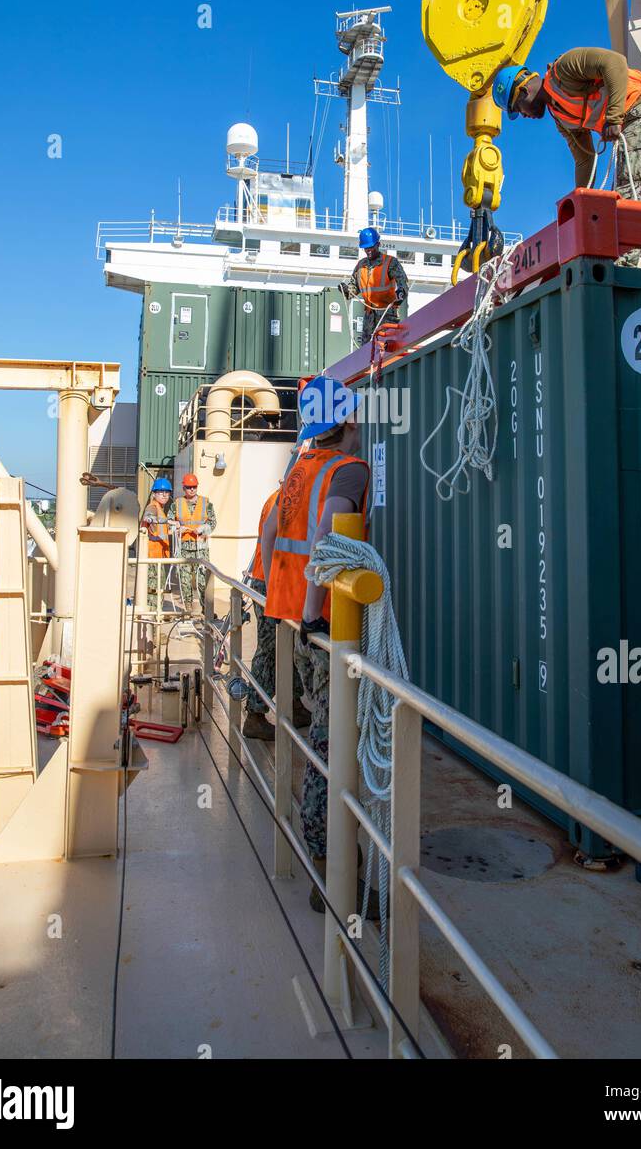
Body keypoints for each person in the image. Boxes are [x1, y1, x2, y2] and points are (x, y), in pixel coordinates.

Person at [262, 375, 370, 908]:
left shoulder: (298, 470)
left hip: (287, 620)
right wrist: (312, 614)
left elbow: (268, 537)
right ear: (349, 420)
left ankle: (331, 869)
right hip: (323, 626)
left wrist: (275, 597)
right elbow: (328, 535)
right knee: (335, 752)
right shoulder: (349, 470)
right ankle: (333, 882)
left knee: (318, 737)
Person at [493, 49, 641, 269]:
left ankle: (625, 268)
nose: (524, 115)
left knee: (632, 192)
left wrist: (613, 117)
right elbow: (585, 159)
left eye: (518, 109)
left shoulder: (564, 68)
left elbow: (615, 63)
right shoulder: (561, 117)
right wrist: (581, 205)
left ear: (524, 91)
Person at [242, 484, 310, 740]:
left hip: (277, 582)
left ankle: (294, 703)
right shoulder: (283, 501)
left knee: (288, 646)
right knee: (270, 649)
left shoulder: (281, 498)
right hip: (271, 583)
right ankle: (255, 715)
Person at [339, 226, 409, 345]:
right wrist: (346, 290)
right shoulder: (361, 266)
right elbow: (353, 290)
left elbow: (403, 284)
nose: (368, 250)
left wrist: (400, 294)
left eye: (371, 247)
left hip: (387, 314)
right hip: (369, 317)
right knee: (366, 352)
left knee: (388, 350)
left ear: (378, 244)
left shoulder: (390, 263)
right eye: (366, 248)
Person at [173, 473, 215, 609]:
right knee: (185, 580)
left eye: (194, 487)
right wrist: (175, 526)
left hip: (201, 547)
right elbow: (170, 521)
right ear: (184, 488)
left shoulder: (206, 503)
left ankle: (206, 609)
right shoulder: (177, 504)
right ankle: (188, 607)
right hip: (184, 547)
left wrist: (204, 528)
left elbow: (213, 523)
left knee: (203, 581)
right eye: (189, 487)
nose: (192, 489)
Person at [141, 477, 173, 609]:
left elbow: (159, 531)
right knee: (154, 587)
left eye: (167, 492)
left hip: (159, 553)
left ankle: (156, 614)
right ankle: (153, 615)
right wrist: (167, 522)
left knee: (159, 586)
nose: (164, 495)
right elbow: (147, 517)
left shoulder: (160, 508)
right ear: (154, 494)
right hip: (152, 554)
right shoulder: (152, 507)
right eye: (160, 492)